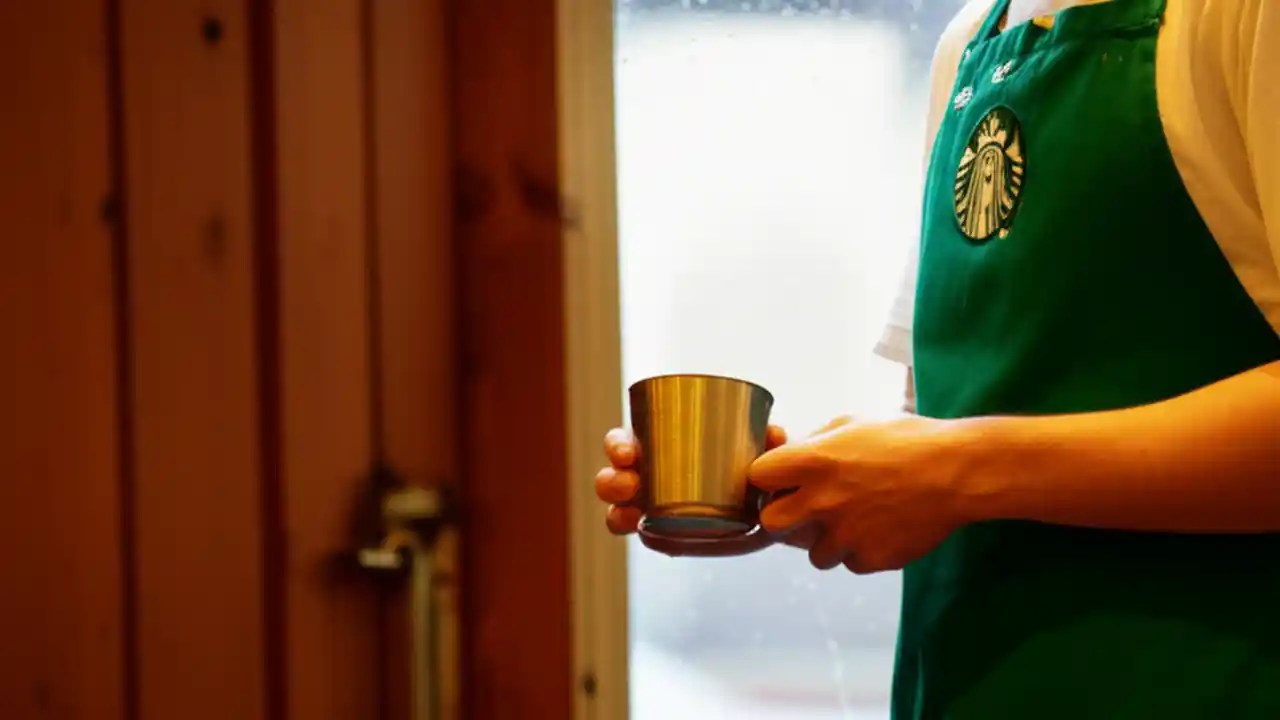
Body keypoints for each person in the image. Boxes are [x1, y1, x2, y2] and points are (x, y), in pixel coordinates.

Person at [596, 0, 1280, 716]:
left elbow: (959, 460)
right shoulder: (967, 46)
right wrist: (787, 494)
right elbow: (945, 429)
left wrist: (955, 470)